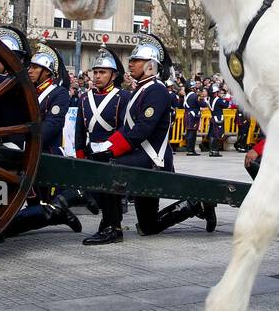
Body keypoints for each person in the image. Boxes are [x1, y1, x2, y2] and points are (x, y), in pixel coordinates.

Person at [82, 41, 216, 245]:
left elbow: (142, 130)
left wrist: (110, 153)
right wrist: (106, 147)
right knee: (148, 226)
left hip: (152, 158)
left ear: (150, 65)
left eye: (136, 60)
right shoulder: (141, 89)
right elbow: (127, 130)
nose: (131, 63)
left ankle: (111, 227)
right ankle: (195, 204)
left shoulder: (156, 90)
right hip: (140, 157)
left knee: (109, 169)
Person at [0, 48, 88, 238]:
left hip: (45, 152)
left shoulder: (59, 93)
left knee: (42, 205)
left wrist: (26, 145)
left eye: (35, 67)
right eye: (29, 66)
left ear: (47, 71)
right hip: (26, 151)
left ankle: (5, 227)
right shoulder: (28, 90)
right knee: (35, 204)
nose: (29, 70)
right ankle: (58, 215)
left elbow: (52, 126)